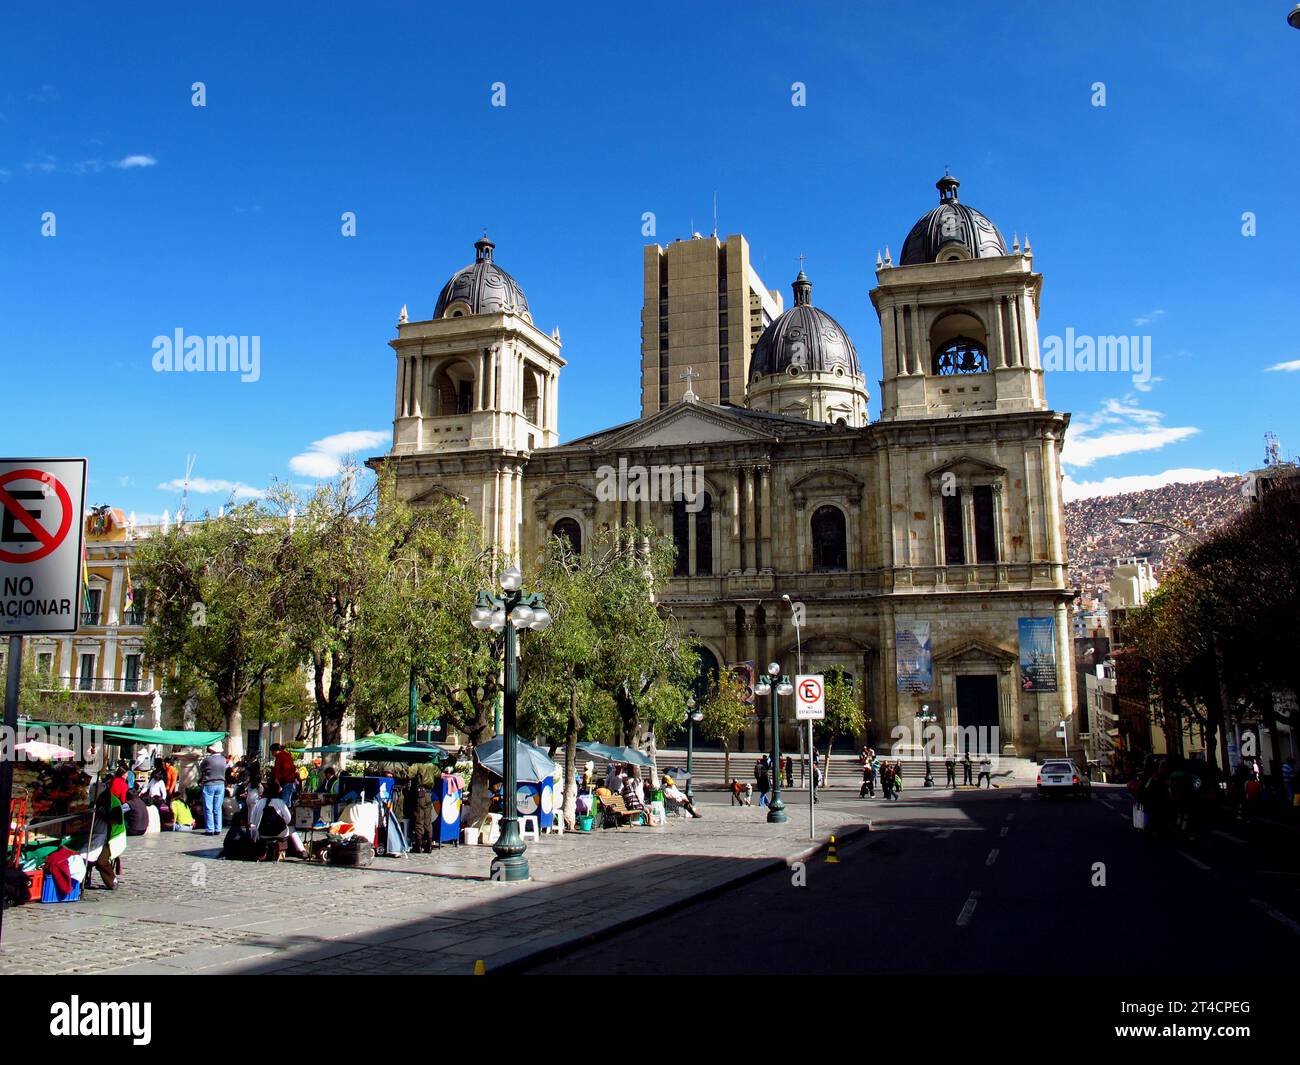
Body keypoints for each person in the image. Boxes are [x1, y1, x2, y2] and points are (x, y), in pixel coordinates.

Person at [199, 743, 228, 836]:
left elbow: (201, 769)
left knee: (208, 807)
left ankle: (210, 829)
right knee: (217, 808)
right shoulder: (224, 760)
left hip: (209, 784)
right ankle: (218, 828)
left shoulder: (208, 760)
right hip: (221, 784)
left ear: (211, 750)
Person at [406, 763, 436, 853]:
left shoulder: (417, 765)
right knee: (428, 821)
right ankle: (429, 846)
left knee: (419, 820)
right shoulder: (432, 765)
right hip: (429, 794)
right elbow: (439, 773)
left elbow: (409, 774)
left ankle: (418, 846)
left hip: (420, 794)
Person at [271, 743, 298, 807]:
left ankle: (285, 816)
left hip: (286, 782)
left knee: (284, 802)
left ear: (275, 750)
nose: (272, 754)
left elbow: (287, 769)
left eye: (272, 751)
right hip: (283, 781)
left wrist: (278, 778)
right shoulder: (280, 756)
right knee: (282, 801)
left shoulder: (283, 756)